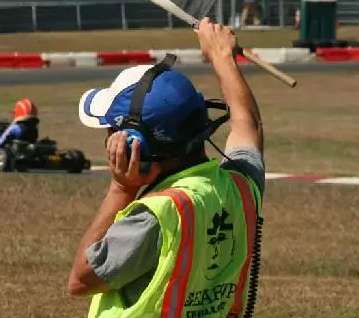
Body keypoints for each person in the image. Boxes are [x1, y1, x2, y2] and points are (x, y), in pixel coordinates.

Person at [69, 18, 265, 317]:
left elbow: (82, 279)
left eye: (112, 131)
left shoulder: (155, 215)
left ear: (137, 144)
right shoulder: (240, 189)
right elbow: (247, 125)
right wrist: (222, 57)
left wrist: (122, 189)